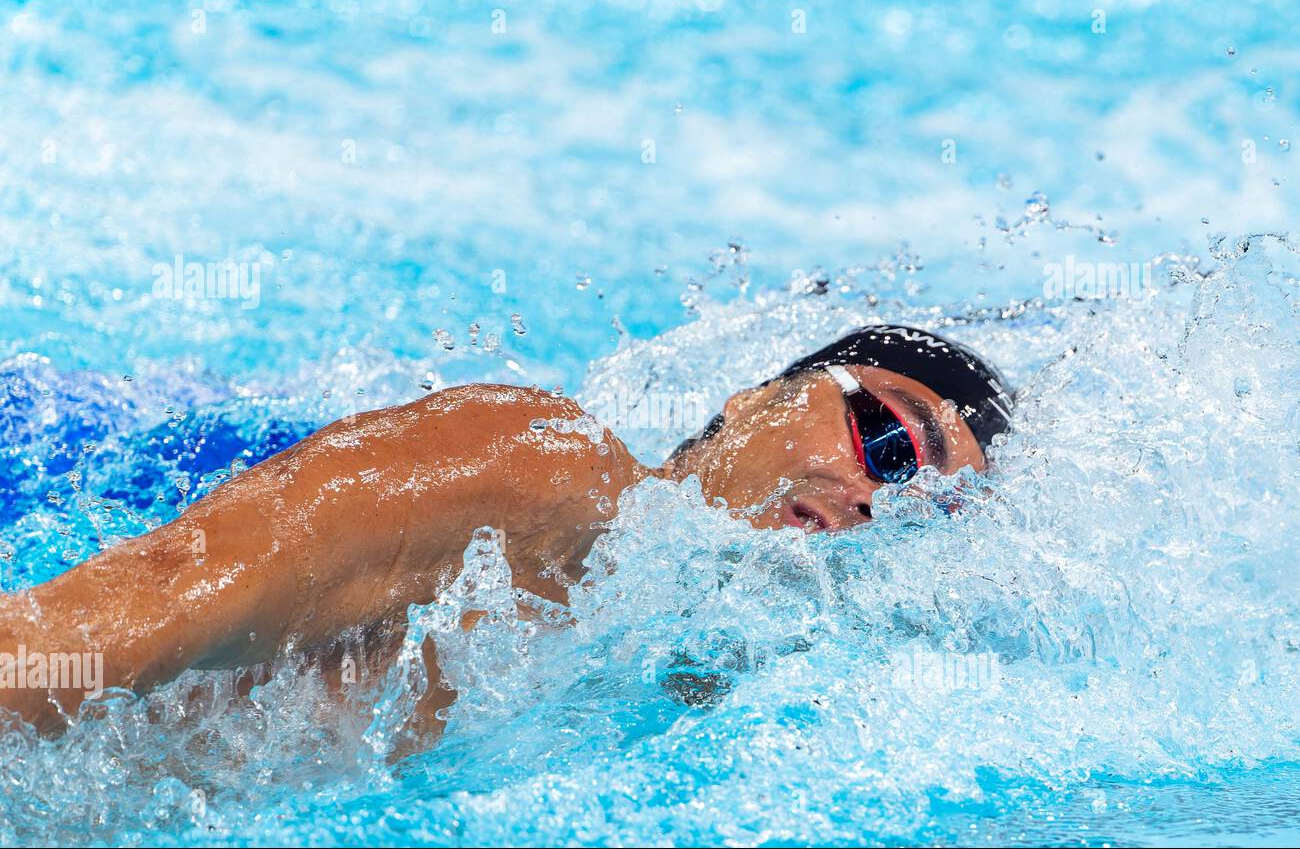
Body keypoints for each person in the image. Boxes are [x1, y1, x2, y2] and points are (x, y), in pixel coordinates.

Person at [0, 324, 1013, 733]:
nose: (882, 498)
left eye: (925, 509)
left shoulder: (712, 692)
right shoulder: (532, 467)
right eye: (887, 439)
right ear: (756, 397)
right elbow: (89, 629)